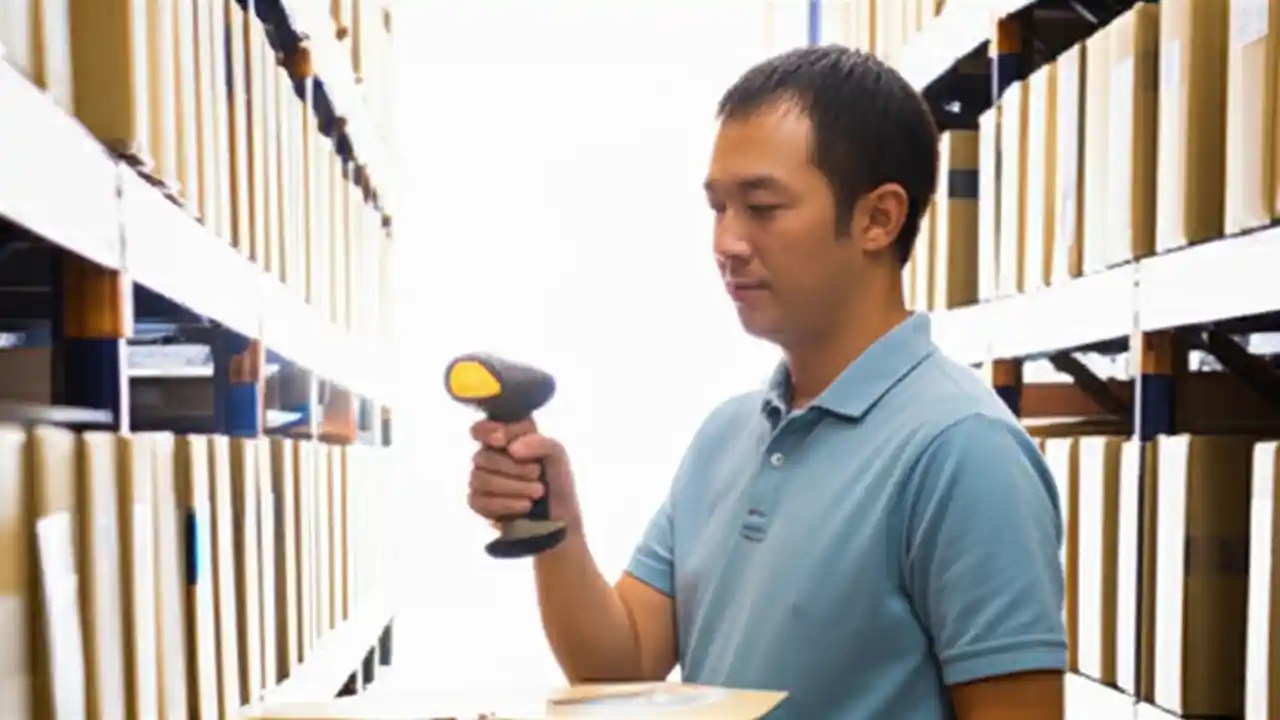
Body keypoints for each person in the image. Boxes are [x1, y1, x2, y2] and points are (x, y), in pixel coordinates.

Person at [465, 45, 1067, 719]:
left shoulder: (963, 450)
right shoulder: (728, 434)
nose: (726, 241)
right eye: (718, 207)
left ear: (878, 219)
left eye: (762, 206)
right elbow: (621, 669)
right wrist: (556, 529)